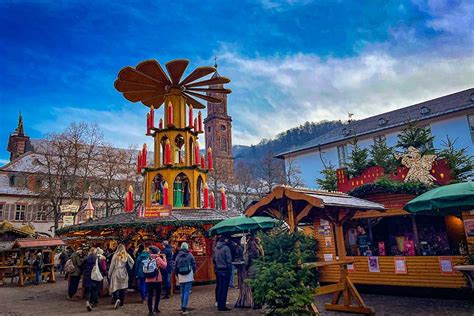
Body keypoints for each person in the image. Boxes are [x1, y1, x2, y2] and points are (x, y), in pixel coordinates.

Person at [108, 244, 134, 309]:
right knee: (122, 288)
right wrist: (129, 266)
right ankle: (122, 302)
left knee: (114, 287)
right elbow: (132, 262)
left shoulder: (115, 255)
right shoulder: (126, 254)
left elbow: (112, 266)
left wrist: (109, 274)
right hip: (124, 272)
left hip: (116, 271)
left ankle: (117, 299)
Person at [174, 242, 196, 315]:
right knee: (187, 291)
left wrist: (176, 274)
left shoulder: (178, 255)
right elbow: (194, 264)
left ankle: (182, 306)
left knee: (182, 291)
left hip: (180, 275)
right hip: (188, 274)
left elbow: (175, 266)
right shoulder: (190, 255)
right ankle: (184, 307)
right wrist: (194, 271)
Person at [144, 246, 167, 315]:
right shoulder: (158, 258)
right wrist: (164, 258)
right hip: (157, 279)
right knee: (157, 294)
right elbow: (164, 265)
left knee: (150, 295)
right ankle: (156, 308)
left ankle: (150, 311)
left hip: (148, 279)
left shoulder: (148, 258)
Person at [82, 247, 106, 311]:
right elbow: (101, 267)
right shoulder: (97, 258)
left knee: (88, 290)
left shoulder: (86, 258)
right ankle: (91, 303)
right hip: (94, 275)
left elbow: (82, 266)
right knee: (95, 290)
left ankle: (87, 302)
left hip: (87, 275)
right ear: (95, 251)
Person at [213, 236, 233, 312]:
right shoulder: (226, 248)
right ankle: (222, 306)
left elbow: (215, 259)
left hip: (218, 269)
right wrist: (230, 270)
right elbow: (229, 260)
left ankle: (219, 304)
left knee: (220, 288)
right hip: (225, 269)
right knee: (224, 289)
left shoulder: (216, 248)